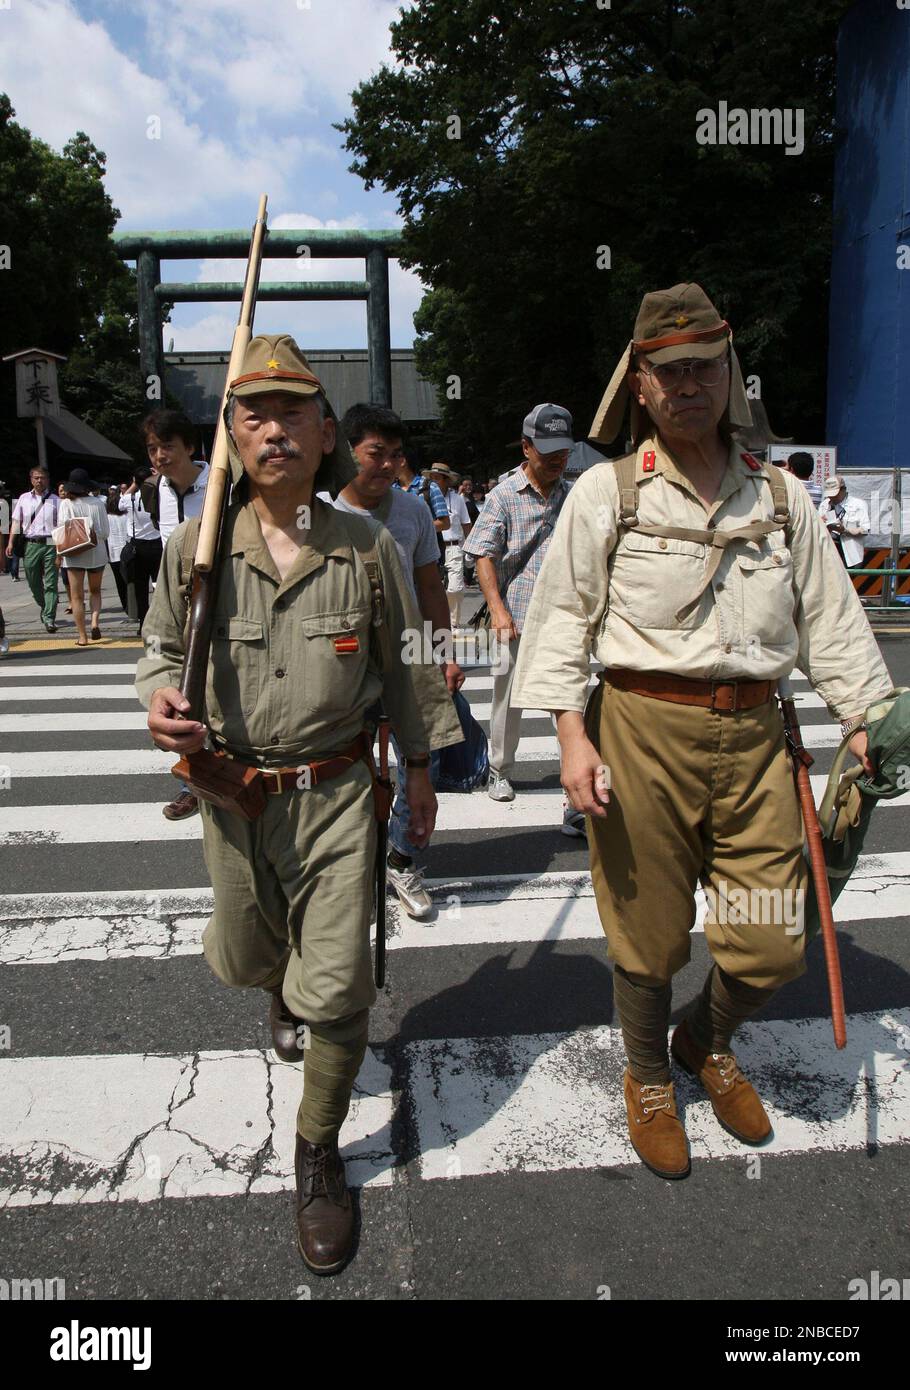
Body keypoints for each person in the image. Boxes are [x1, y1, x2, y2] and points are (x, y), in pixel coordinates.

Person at [512, 282, 893, 1180]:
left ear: (730, 375)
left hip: (760, 738)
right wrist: (572, 736)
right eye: (667, 371)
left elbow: (832, 619)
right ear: (639, 385)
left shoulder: (783, 497)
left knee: (772, 941)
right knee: (648, 936)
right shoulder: (608, 494)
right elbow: (563, 617)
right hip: (640, 730)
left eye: (703, 368)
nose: (687, 385)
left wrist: (866, 721)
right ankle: (648, 1073)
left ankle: (702, 1037)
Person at [135, 334, 460, 1274]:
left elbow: (403, 662)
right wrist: (158, 698)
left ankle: (317, 1151)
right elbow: (157, 648)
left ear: (325, 434)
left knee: (342, 990)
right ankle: (279, 978)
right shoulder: (196, 552)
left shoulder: (364, 547)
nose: (272, 430)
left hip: (338, 795)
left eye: (292, 414)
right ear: (231, 437)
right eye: (252, 415)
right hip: (230, 794)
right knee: (245, 957)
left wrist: (427, 770)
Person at [335, 403, 466, 919]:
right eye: (375, 454)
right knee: (347, 762)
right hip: (343, 663)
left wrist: (444, 653)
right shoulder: (321, 510)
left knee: (423, 758)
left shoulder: (412, 511)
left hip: (409, 656)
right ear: (347, 452)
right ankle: (349, 863)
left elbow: (431, 587)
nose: (387, 465)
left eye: (395, 456)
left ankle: (402, 858)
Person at [462, 404, 574, 818]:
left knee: (567, 698)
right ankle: (500, 769)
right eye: (548, 453)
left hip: (563, 616)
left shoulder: (572, 495)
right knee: (507, 698)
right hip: (516, 613)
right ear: (527, 448)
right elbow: (483, 554)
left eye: (563, 452)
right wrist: (497, 608)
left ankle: (573, 776)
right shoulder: (504, 495)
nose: (557, 461)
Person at [138, 413, 207, 822]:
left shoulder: (221, 484)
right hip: (174, 604)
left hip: (215, 601)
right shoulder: (155, 491)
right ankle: (191, 782)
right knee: (179, 692)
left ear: (189, 447)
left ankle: (206, 775)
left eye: (167, 446)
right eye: (152, 448)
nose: (160, 456)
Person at [58, 468, 110, 647]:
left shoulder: (66, 504)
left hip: (75, 554)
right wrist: (91, 532)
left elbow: (62, 528)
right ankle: (95, 622)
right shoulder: (98, 503)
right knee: (95, 591)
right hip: (97, 553)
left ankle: (82, 636)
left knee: (76, 597)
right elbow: (105, 532)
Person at [6, 466, 59, 632]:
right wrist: (10, 543)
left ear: (47, 480)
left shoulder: (56, 500)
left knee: (51, 583)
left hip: (51, 542)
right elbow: (16, 522)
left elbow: (62, 525)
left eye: (42, 477)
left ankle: (49, 617)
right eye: (36, 477)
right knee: (33, 580)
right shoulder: (23, 498)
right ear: (31, 479)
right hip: (31, 543)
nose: (39, 481)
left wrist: (61, 548)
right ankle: (44, 606)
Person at [427, 463, 473, 630]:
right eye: (431, 478)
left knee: (455, 588)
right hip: (433, 547)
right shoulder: (425, 498)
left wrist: (470, 549)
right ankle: (442, 623)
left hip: (453, 546)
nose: (433, 482)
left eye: (437, 478)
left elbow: (466, 524)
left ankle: (453, 621)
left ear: (446, 481)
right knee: (434, 587)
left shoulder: (458, 499)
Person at [119, 464, 164, 628]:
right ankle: (160, 620)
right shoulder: (158, 495)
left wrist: (135, 484)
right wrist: (158, 476)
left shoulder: (129, 498)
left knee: (140, 587)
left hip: (137, 547)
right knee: (159, 586)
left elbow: (119, 505)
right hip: (157, 545)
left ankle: (144, 623)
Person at [819, 474, 870, 567]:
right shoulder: (824, 505)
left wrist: (845, 530)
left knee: (850, 579)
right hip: (828, 552)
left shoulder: (858, 504)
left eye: (835, 494)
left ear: (843, 489)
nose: (832, 497)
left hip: (850, 553)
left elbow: (865, 529)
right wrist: (819, 522)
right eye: (829, 495)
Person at [105, 486, 131, 615]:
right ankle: (134, 604)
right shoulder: (127, 516)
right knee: (130, 580)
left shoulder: (107, 518)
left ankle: (126, 606)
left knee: (119, 582)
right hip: (127, 552)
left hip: (113, 554)